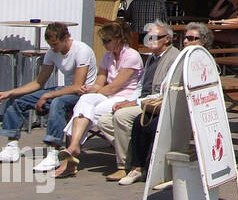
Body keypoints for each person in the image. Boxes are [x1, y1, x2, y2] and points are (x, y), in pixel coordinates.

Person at [0, 23, 97, 173]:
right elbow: (38, 82)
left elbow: (77, 86)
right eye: (50, 45)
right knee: (18, 101)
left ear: (66, 38)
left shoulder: (82, 51)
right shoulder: (52, 52)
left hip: (84, 94)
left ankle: (54, 152)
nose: (53, 48)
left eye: (55, 44)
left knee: (57, 102)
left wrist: (47, 95)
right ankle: (11, 148)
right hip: (64, 90)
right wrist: (10, 92)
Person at [121, 23, 212, 186]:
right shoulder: (181, 58)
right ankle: (137, 167)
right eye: (186, 38)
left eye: (192, 38)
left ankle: (166, 173)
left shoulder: (202, 60)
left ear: (203, 41)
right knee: (140, 121)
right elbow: (166, 86)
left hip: (189, 109)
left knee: (155, 126)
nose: (186, 41)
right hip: (168, 104)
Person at [54, 21, 143, 178]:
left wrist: (98, 90)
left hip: (126, 96)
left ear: (118, 39)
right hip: (109, 95)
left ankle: (71, 154)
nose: (104, 44)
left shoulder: (132, 56)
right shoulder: (107, 56)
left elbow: (114, 87)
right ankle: (74, 147)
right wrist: (89, 89)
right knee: (85, 100)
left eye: (107, 41)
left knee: (92, 112)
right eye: (103, 41)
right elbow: (99, 83)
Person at [98, 20, 180, 181]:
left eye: (155, 37)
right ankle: (136, 155)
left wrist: (133, 103)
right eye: (148, 37)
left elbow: (165, 91)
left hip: (156, 103)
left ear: (167, 39)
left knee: (121, 116)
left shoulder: (174, 58)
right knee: (104, 121)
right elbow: (141, 85)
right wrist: (130, 100)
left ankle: (124, 166)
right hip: (143, 99)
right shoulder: (151, 58)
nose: (150, 41)